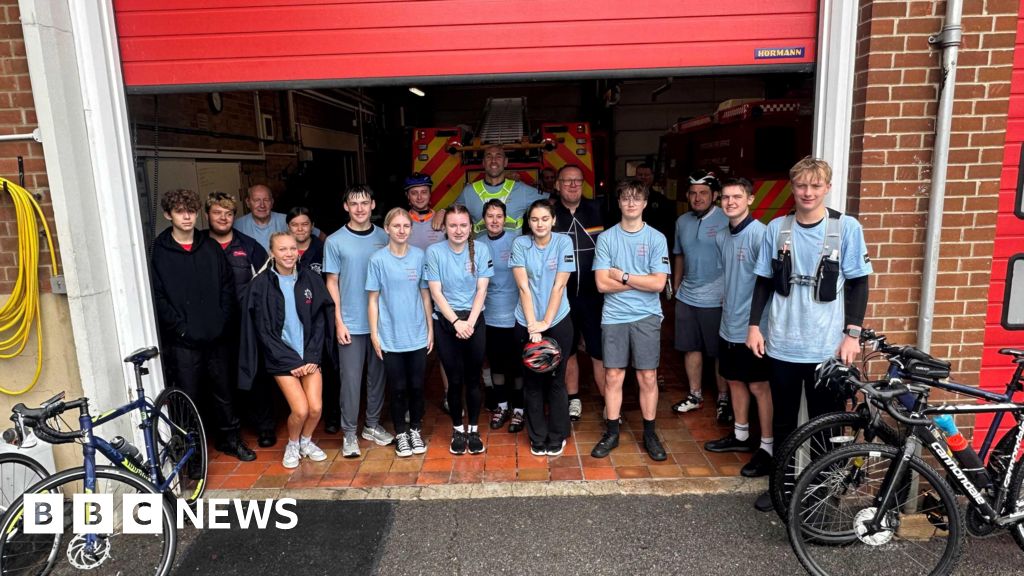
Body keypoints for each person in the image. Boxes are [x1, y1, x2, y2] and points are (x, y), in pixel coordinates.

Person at [746, 156, 873, 512]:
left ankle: (821, 492)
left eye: (815, 186)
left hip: (826, 348)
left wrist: (852, 335)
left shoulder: (846, 228)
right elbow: (764, 282)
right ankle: (781, 489)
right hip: (783, 343)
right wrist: (754, 326)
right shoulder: (777, 228)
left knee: (825, 424)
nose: (808, 192)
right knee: (783, 421)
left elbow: (859, 283)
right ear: (792, 187)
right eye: (801, 185)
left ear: (827, 188)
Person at [150, 188, 255, 461]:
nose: (187, 217)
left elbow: (226, 288)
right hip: (183, 341)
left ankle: (230, 440)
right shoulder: (159, 251)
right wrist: (181, 329)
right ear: (168, 214)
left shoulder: (209, 246)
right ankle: (193, 454)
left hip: (217, 337)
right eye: (180, 211)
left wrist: (221, 322)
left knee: (224, 392)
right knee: (189, 398)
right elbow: (158, 298)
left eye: (191, 211)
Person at [238, 232, 334, 469]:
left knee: (316, 408)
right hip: (282, 358)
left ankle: (306, 441)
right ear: (272, 253)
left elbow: (321, 321)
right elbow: (263, 332)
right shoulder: (260, 286)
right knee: (300, 410)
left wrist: (312, 356)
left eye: (292, 249)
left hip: (309, 356)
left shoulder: (310, 278)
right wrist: (292, 361)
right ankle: (292, 444)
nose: (289, 254)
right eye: (282, 249)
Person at [591, 180, 671, 462]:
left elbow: (659, 284)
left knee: (647, 376)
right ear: (620, 202)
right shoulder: (607, 238)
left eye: (637, 198)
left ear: (645, 203)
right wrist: (641, 282)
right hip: (614, 317)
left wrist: (623, 276)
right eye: (626, 198)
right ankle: (612, 431)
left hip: (647, 317)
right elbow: (601, 284)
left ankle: (650, 433)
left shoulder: (656, 238)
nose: (631, 203)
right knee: (613, 375)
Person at [702, 178, 774, 479]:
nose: (731, 202)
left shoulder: (761, 235)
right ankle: (741, 435)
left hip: (754, 327)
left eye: (737, 197)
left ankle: (767, 448)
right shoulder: (721, 236)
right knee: (733, 380)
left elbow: (768, 284)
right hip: (729, 322)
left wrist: (756, 325)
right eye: (726, 197)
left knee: (759, 385)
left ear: (750, 199)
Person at [323, 184, 394, 457]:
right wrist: (339, 321)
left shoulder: (384, 236)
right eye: (354, 204)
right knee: (351, 381)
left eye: (365, 202)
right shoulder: (335, 241)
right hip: (351, 322)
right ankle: (349, 433)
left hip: (381, 322)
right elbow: (331, 282)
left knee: (378, 378)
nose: (360, 208)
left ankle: (372, 425)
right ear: (346, 207)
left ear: (373, 205)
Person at [204, 191, 277, 448]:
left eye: (228, 213)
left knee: (257, 378)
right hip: (213, 329)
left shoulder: (249, 247)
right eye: (217, 213)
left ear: (235, 216)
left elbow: (267, 285)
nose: (223, 218)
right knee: (220, 381)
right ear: (207, 215)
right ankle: (226, 433)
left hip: (246, 325)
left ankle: (265, 427)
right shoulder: (201, 246)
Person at [425, 204, 494, 455]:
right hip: (446, 322)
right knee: (454, 381)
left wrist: (470, 323)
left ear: (470, 227)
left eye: (463, 225)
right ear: (445, 227)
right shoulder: (434, 252)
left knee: (473, 379)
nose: (458, 230)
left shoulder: (481, 249)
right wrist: (456, 322)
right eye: (452, 225)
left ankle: (473, 430)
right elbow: (436, 292)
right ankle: (457, 429)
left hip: (474, 320)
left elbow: (482, 290)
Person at [510, 200, 575, 456]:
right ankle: (537, 436)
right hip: (526, 320)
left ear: (553, 221)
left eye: (544, 219)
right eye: (535, 219)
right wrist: (532, 326)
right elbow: (523, 287)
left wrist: (545, 322)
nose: (539, 224)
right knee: (532, 381)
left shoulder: (563, 243)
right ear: (529, 222)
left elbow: (559, 287)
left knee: (557, 380)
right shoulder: (520, 245)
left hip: (558, 319)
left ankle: (558, 434)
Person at [367, 208, 434, 458]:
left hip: (416, 333)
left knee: (417, 386)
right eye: (396, 226)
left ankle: (415, 429)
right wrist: (375, 333)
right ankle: (401, 433)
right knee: (397, 387)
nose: (402, 230)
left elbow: (425, 294)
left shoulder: (419, 256)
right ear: (387, 229)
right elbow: (373, 299)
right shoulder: (377, 260)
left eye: (406, 226)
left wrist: (430, 328)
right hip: (390, 335)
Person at [671, 170, 732, 424]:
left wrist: (730, 294)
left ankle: (723, 399)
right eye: (693, 193)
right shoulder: (682, 221)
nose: (697, 198)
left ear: (715, 196)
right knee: (690, 348)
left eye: (703, 193)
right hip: (687, 296)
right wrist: (675, 289)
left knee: (718, 352)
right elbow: (679, 255)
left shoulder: (726, 220)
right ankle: (695, 395)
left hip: (717, 298)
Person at [551, 164, 607, 422]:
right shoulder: (549, 214)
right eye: (567, 181)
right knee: (568, 348)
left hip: (595, 295)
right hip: (563, 296)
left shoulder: (598, 209)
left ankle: (609, 401)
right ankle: (573, 399)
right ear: (557, 185)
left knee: (598, 349)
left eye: (577, 181)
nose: (573, 185)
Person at [477, 199, 525, 433]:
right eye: (490, 216)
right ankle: (502, 406)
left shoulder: (517, 241)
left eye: (499, 216)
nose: (494, 220)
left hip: (516, 314)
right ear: (483, 219)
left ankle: (519, 410)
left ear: (505, 218)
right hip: (489, 315)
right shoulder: (476, 244)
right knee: (496, 363)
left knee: (516, 365)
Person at [431, 144, 548, 234]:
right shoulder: (469, 192)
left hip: (513, 261)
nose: (493, 160)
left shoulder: (522, 190)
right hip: (481, 260)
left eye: (498, 156)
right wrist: (442, 212)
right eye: (489, 156)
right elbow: (452, 211)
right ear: (483, 163)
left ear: (505, 162)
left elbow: (552, 201)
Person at [235, 184, 322, 251]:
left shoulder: (288, 220)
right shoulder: (237, 225)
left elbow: (321, 236)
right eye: (257, 200)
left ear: (272, 202)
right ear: (248, 202)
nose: (262, 205)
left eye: (266, 200)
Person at [404, 172, 446, 250]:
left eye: (424, 192)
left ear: (430, 194)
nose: (419, 197)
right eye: (414, 193)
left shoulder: (444, 220)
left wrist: (444, 213)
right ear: (407, 195)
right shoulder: (401, 222)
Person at [636, 163, 676, 241]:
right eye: (640, 175)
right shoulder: (626, 198)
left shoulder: (662, 200)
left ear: (652, 177)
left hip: (654, 243)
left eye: (646, 175)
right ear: (636, 176)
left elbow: (669, 226)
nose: (643, 177)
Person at [287, 206, 324, 276]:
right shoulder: (280, 251)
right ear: (288, 227)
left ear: (312, 226)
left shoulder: (324, 251)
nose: (300, 229)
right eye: (294, 225)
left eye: (305, 224)